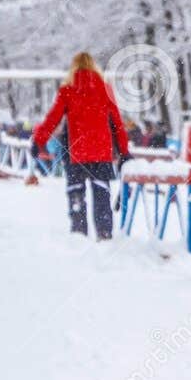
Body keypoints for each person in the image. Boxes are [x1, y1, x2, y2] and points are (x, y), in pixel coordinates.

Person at [31, 51, 128, 240]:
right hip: (101, 153)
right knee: (101, 195)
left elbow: (53, 119)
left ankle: (79, 234)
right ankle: (104, 233)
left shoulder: (68, 90)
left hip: (76, 153)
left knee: (76, 194)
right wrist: (124, 151)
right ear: (94, 66)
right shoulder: (105, 89)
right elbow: (117, 123)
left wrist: (39, 140)